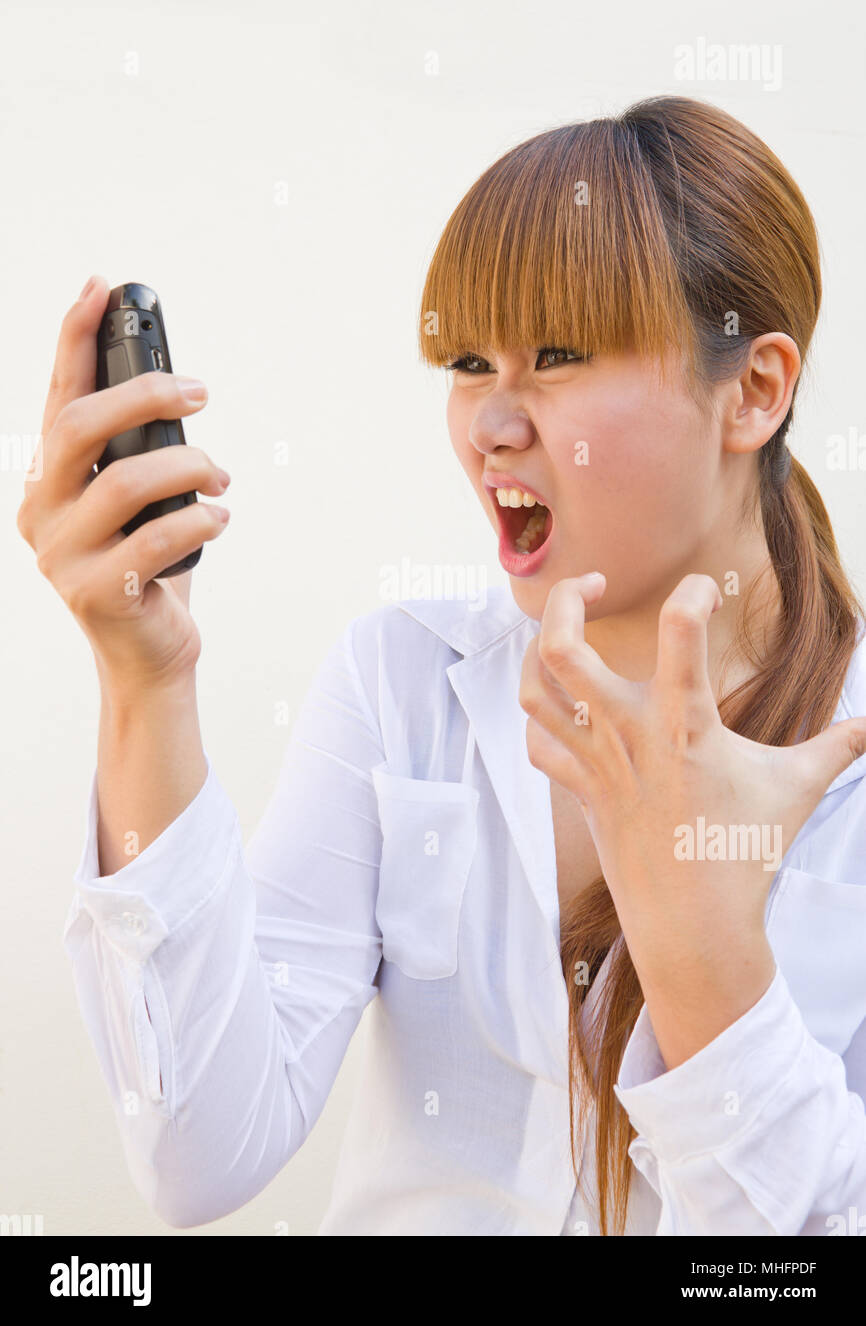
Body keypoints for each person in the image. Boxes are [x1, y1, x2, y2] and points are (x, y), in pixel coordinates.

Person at [18, 94, 866, 1236]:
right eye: (469, 363)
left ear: (753, 390)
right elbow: (197, 1156)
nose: (489, 426)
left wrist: (700, 946)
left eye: (556, 356)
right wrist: (146, 677)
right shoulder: (401, 681)